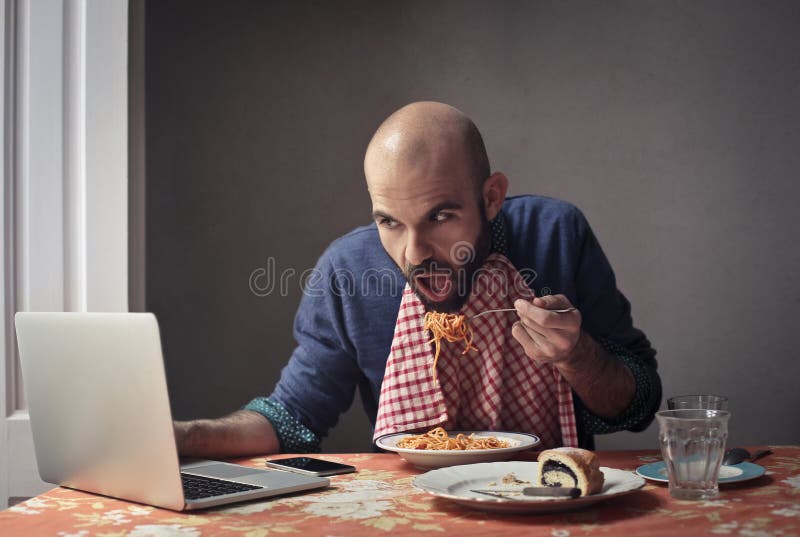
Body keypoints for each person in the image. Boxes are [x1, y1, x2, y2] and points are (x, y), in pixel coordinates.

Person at [174, 102, 660, 457]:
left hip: (548, 501)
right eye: (389, 222)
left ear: (491, 198)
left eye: (440, 216)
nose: (414, 252)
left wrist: (576, 356)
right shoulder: (349, 270)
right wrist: (183, 436)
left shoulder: (556, 234)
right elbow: (292, 419)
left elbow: (638, 405)